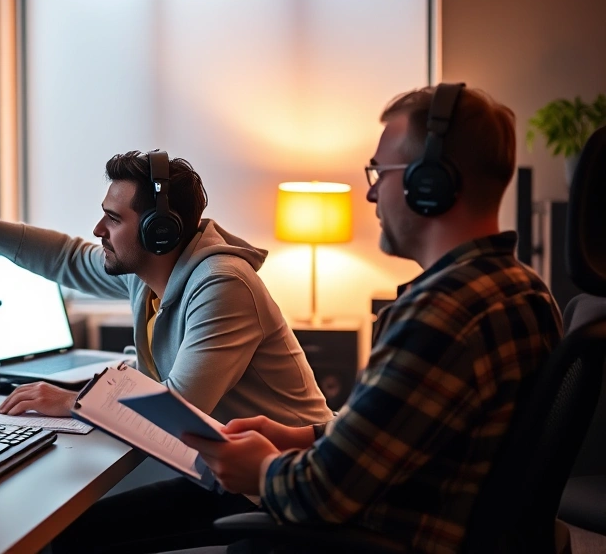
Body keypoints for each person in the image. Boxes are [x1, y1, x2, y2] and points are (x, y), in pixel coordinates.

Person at [181, 84, 564, 554]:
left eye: (381, 172)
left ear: (432, 183)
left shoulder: (444, 314)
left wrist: (259, 468)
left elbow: (320, 494)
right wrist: (304, 435)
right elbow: (414, 432)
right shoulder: (524, 289)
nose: (370, 193)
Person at [0, 150, 335, 552]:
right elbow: (68, 258)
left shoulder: (223, 284)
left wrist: (75, 402)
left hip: (282, 483)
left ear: (159, 232)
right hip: (226, 471)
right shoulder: (147, 273)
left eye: (112, 218)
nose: (98, 230)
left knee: (71, 537)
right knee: (68, 530)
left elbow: (179, 406)